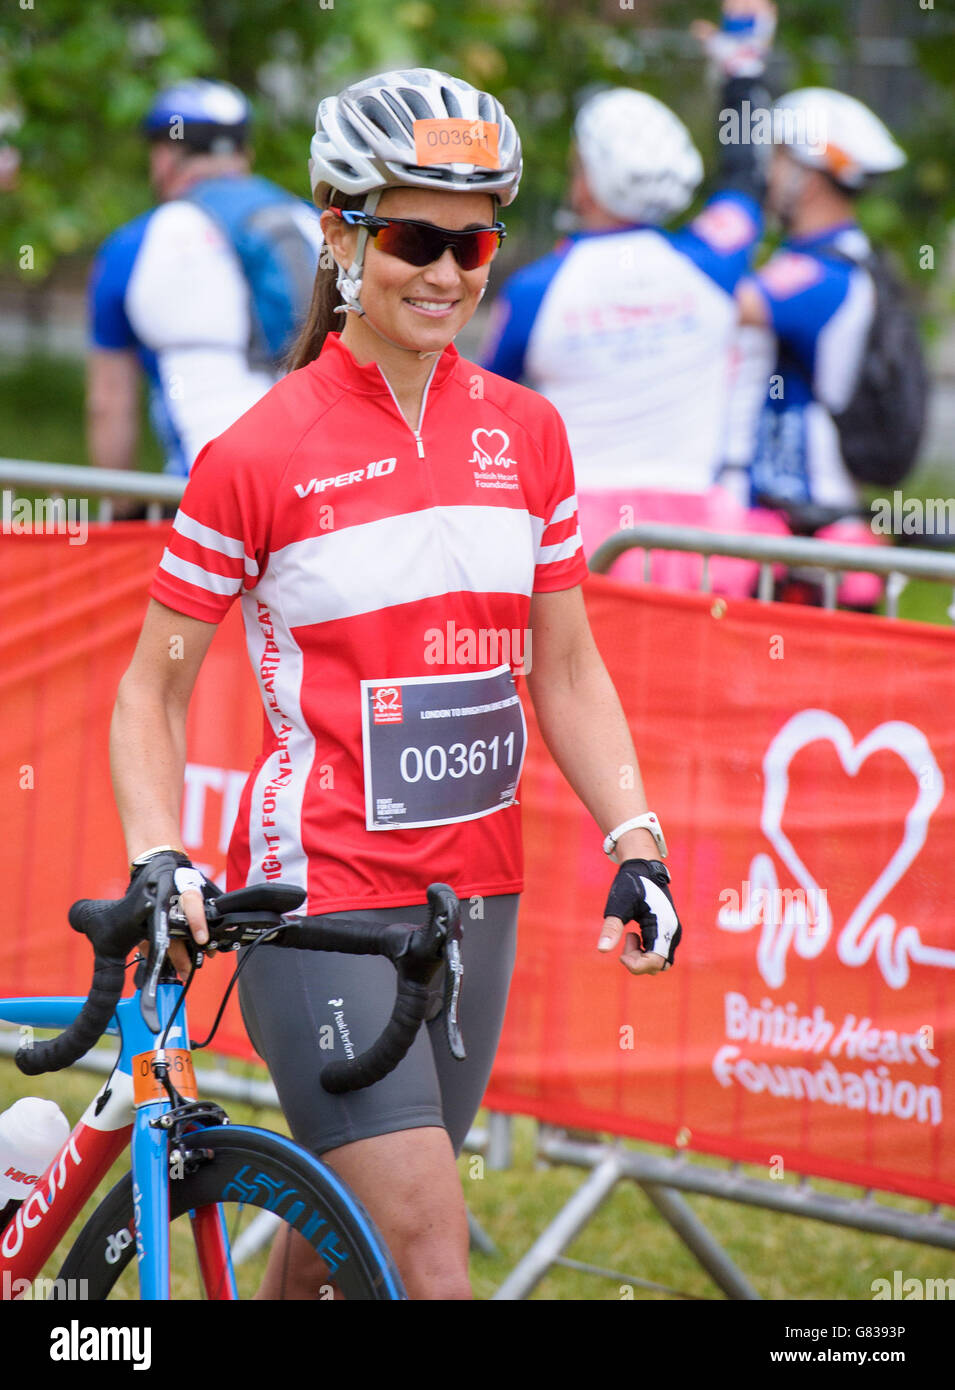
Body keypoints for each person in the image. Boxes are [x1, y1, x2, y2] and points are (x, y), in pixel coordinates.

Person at [108, 67, 684, 1300]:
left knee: (337, 1258)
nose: (446, 273)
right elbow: (148, 694)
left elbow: (567, 669)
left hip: (477, 900)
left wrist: (636, 841)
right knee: (428, 1256)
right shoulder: (256, 454)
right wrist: (160, 856)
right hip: (318, 902)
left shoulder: (527, 433)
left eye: (472, 242)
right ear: (340, 231)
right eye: (414, 237)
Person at [480, 0, 779, 595]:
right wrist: (743, 68)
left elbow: (484, 408)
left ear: (587, 180)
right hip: (699, 546)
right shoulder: (713, 262)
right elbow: (744, 179)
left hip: (575, 542)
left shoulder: (537, 289)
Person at [86, 79, 323, 504]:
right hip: (326, 491)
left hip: (202, 501)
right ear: (243, 155)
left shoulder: (134, 245)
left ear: (166, 157)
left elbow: (109, 403)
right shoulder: (319, 226)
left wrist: (121, 513)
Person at [732, 86, 925, 607]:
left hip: (808, 538)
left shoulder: (821, 274)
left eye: (776, 158)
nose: (767, 174)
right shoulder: (828, 259)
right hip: (798, 528)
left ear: (809, 176)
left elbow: (718, 301)